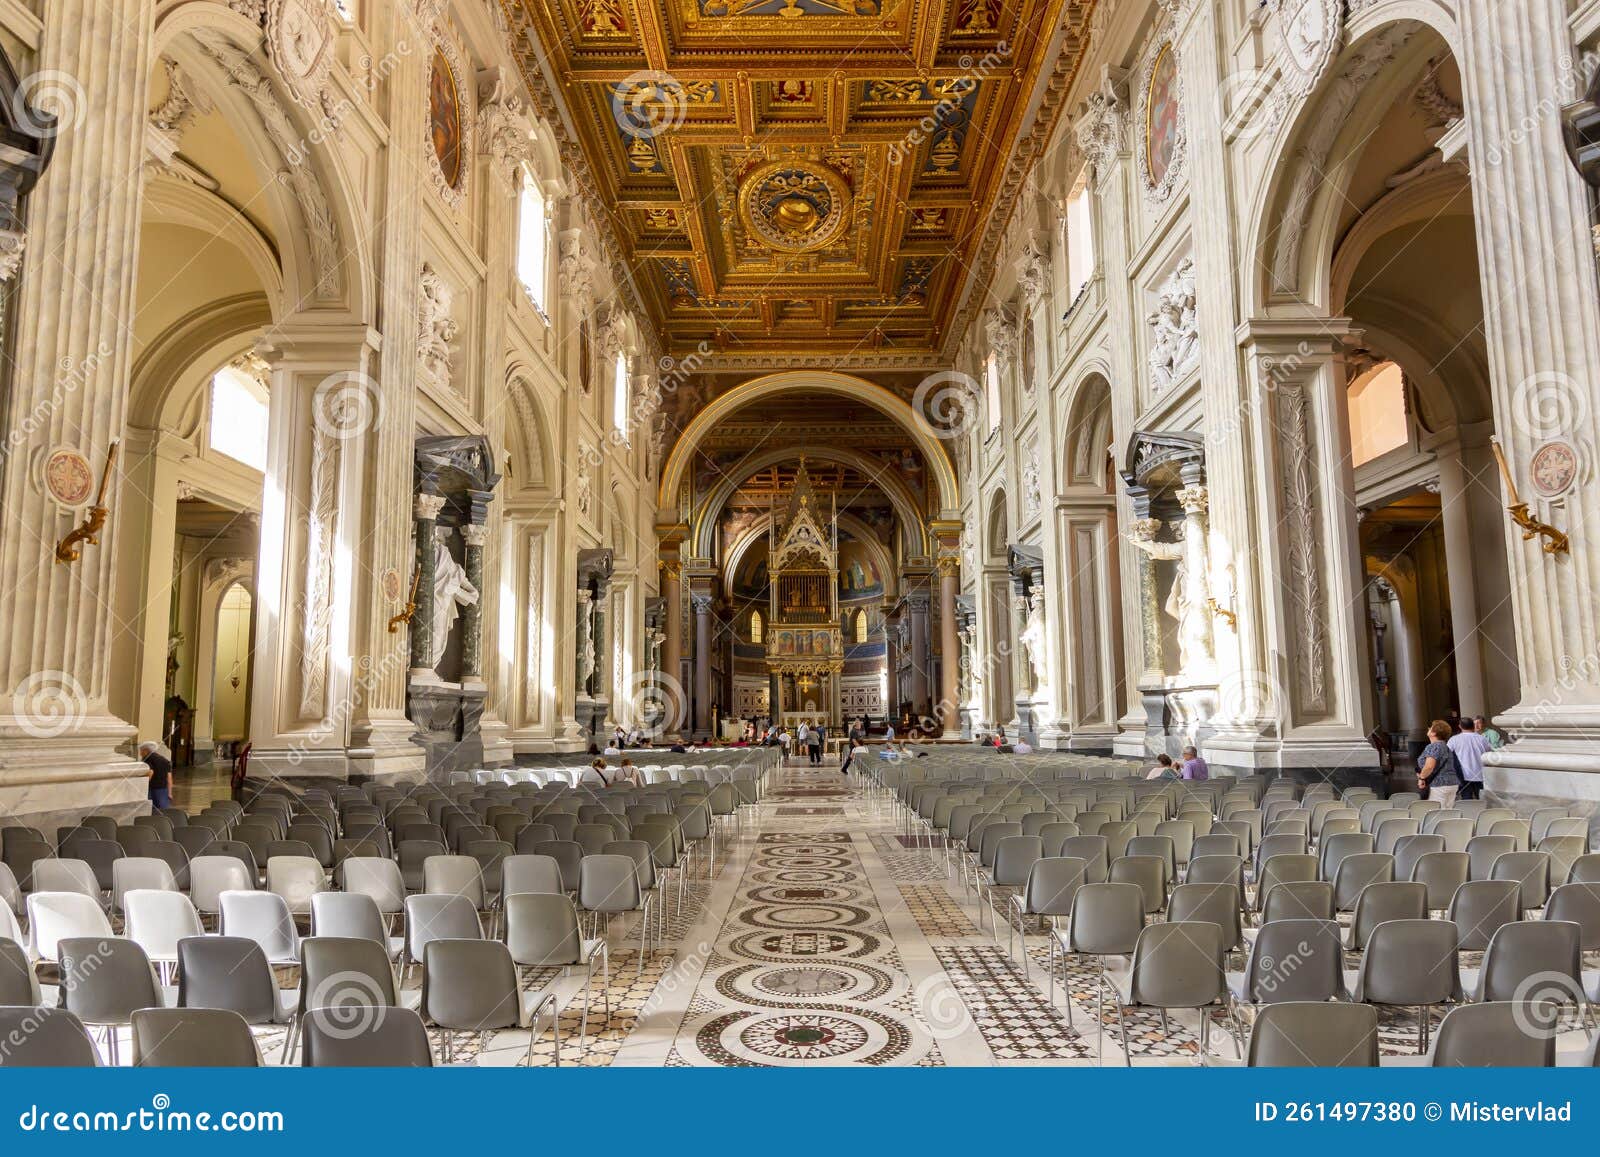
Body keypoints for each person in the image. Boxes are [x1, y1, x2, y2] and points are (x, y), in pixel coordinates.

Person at [1417, 719, 1462, 806]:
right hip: (1452, 783)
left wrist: (1421, 778)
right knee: (1447, 812)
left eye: (1431, 728)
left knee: (1436, 811)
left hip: (1439, 784)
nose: (1428, 728)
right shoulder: (1445, 746)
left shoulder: (1434, 746)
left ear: (1434, 733)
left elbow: (1429, 766)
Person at [1449, 716, 1490, 800]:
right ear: (1473, 725)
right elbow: (1488, 753)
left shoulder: (1454, 739)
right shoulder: (1482, 739)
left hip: (1463, 775)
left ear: (1460, 726)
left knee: (1466, 800)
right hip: (1480, 774)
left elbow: (1447, 754)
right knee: (1482, 800)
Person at [139, 740, 173, 811]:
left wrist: (143, 785)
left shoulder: (147, 759)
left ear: (146, 750)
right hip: (163, 789)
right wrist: (169, 793)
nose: (140, 753)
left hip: (152, 789)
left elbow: (150, 772)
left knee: (151, 810)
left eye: (141, 751)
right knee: (163, 810)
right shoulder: (164, 760)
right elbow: (169, 777)